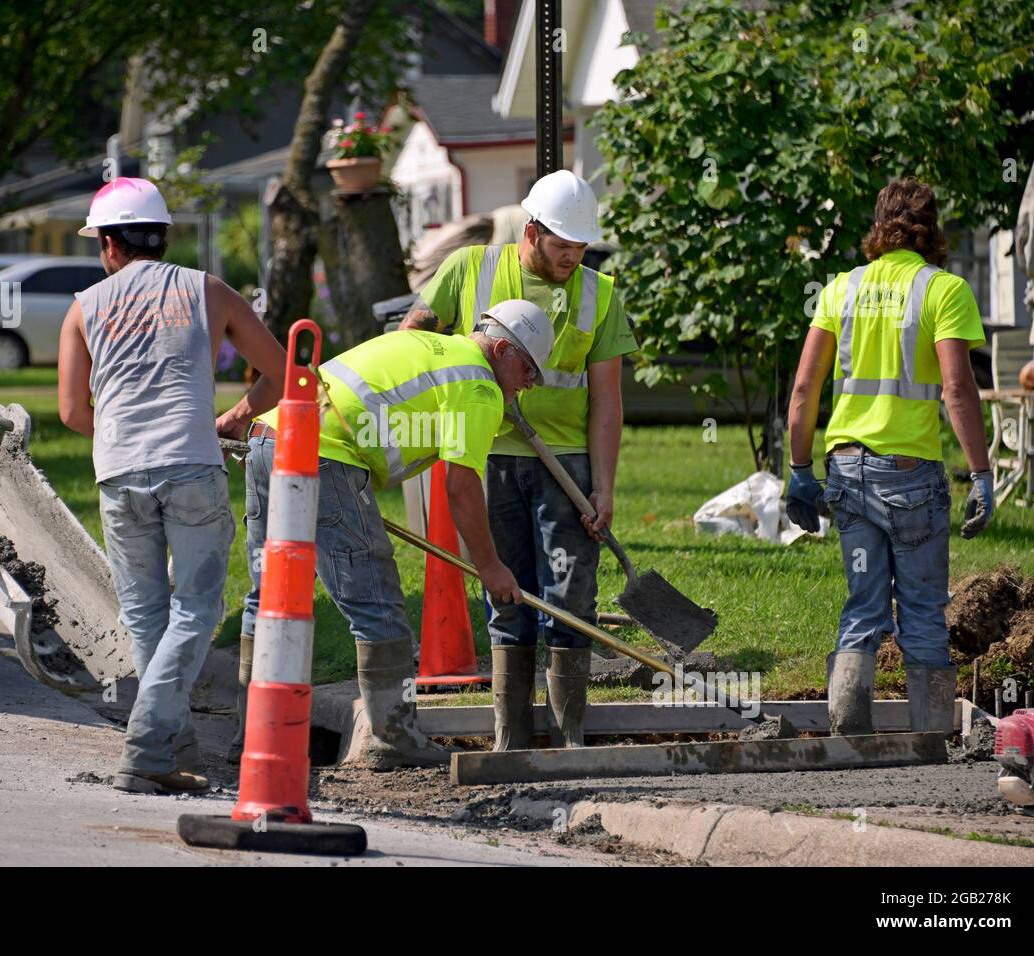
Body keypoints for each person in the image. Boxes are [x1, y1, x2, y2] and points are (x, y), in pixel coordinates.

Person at [231, 300, 555, 769]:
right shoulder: (478, 387)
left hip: (273, 435)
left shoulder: (431, 345)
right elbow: (462, 488)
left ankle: (250, 736)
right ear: (502, 349)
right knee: (377, 603)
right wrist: (489, 566)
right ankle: (394, 736)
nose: (528, 383)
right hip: (326, 457)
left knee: (269, 597)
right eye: (528, 370)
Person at [58, 177, 285, 794]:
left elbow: (74, 412)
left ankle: (163, 745)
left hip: (118, 473)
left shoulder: (84, 308)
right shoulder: (209, 291)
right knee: (198, 609)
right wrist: (235, 417)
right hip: (192, 465)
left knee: (146, 615)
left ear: (109, 244)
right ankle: (148, 745)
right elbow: (281, 373)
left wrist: (126, 436)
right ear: (162, 238)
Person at [400, 170, 638, 750]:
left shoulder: (599, 294)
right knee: (506, 594)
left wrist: (603, 486)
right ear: (531, 232)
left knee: (570, 597)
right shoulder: (469, 269)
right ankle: (510, 740)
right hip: (486, 457)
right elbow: (413, 342)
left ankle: (569, 739)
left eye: (581, 247)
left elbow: (607, 402)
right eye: (562, 246)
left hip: (568, 466)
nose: (573, 258)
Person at [785, 177, 994, 736]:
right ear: (932, 229)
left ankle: (849, 746)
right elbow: (958, 390)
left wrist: (800, 471)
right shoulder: (943, 290)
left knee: (863, 606)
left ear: (879, 226)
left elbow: (804, 390)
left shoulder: (841, 289)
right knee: (922, 613)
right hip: (909, 479)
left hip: (847, 472)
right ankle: (928, 750)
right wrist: (981, 473)